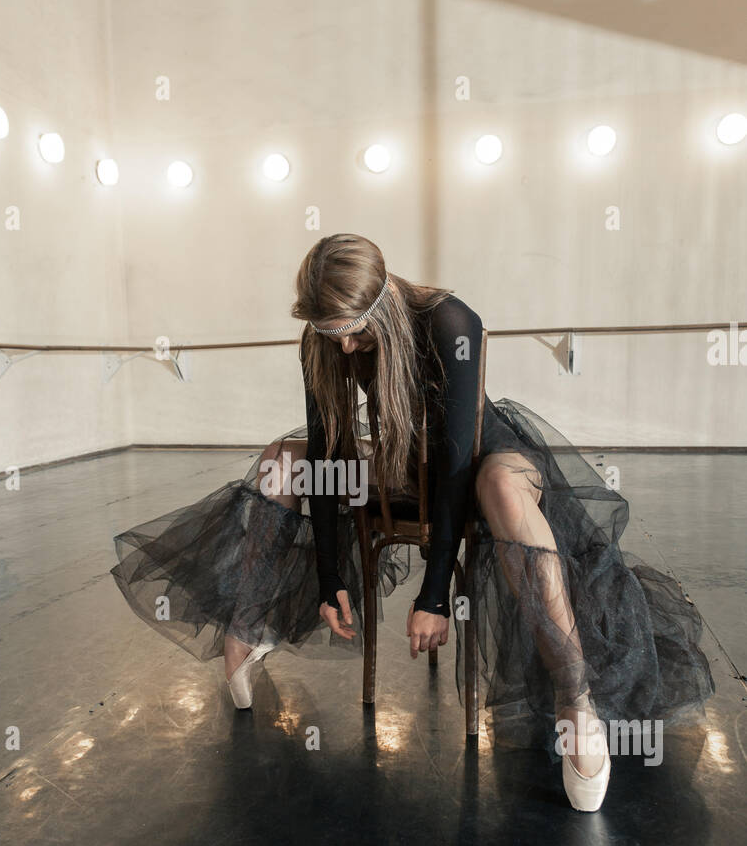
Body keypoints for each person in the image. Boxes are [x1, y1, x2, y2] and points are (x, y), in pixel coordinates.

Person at [111, 233, 714, 812]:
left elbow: (455, 465)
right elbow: (326, 453)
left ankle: (575, 698)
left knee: (500, 486)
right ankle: (248, 624)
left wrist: (435, 593)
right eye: (329, 334)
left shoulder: (450, 322)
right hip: (403, 456)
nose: (343, 349)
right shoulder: (323, 342)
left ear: (382, 305)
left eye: (352, 333)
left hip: (476, 457)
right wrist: (327, 579)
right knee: (282, 461)